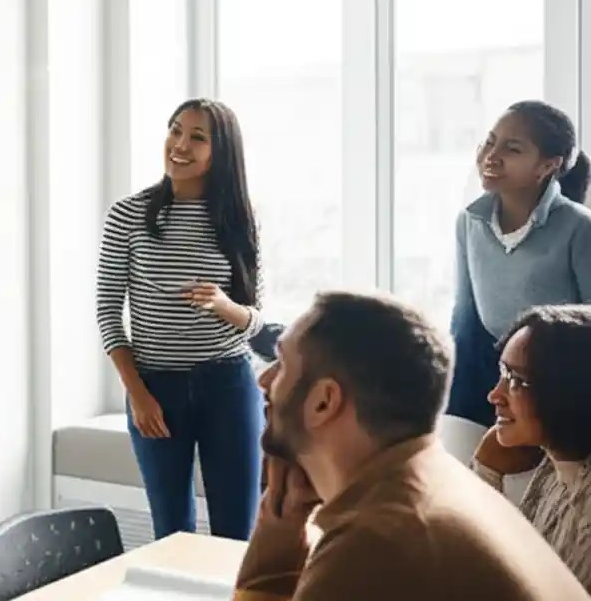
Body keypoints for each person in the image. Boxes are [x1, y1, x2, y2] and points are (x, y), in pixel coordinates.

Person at [235, 290, 589, 600]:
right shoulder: (428, 482)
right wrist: (283, 521)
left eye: (281, 364)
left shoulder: (380, 538)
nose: (264, 380)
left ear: (325, 401)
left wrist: (276, 536)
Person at [95, 98, 265, 540]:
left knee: (235, 534)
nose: (180, 144)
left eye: (197, 137)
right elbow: (108, 312)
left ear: (220, 151)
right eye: (175, 130)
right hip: (155, 387)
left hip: (228, 384)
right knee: (172, 534)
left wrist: (225, 306)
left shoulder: (240, 220)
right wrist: (138, 395)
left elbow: (256, 322)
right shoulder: (128, 215)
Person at [447, 100, 591, 427]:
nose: (491, 155)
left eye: (512, 149)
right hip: (489, 371)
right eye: (489, 141)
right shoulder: (469, 222)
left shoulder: (580, 228)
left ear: (546, 167)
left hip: (561, 380)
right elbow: (465, 316)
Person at [472, 305, 591, 590]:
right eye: (502, 372)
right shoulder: (556, 468)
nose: (495, 395)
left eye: (517, 380)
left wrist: (484, 476)